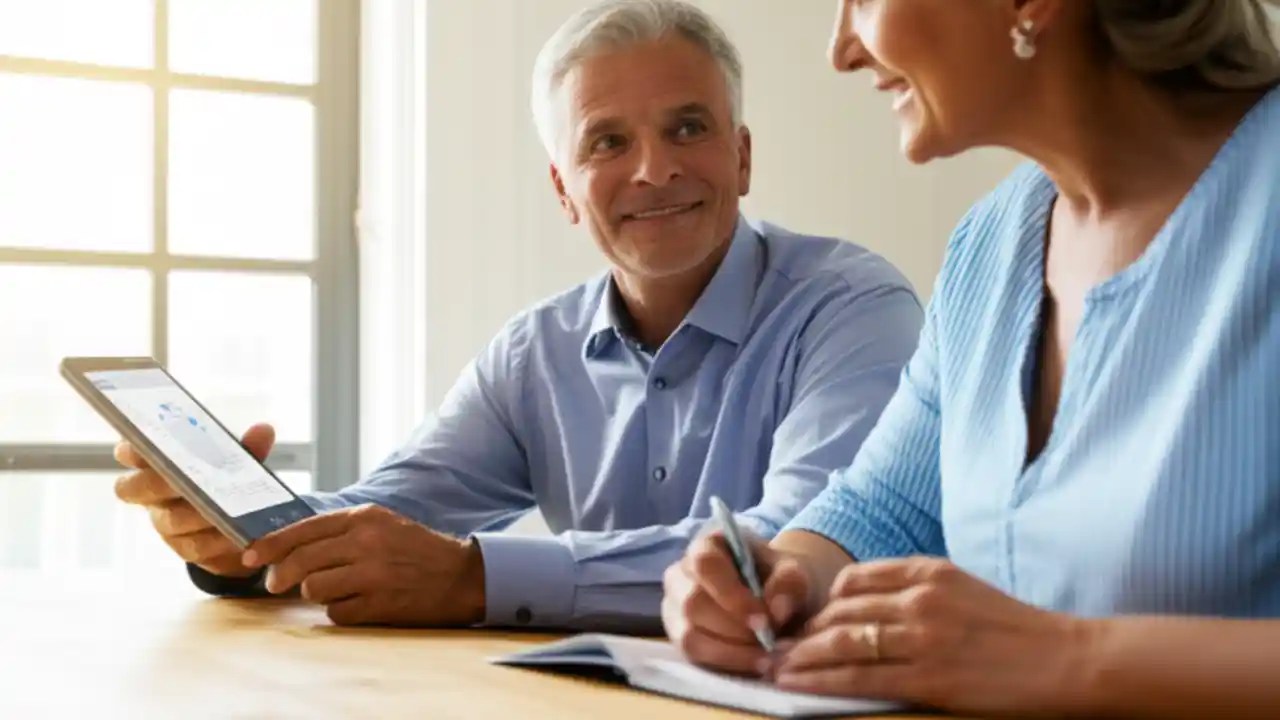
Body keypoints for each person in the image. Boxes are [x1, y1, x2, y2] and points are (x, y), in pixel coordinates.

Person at [113, 0, 922, 633]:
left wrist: (475, 578)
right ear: (564, 190)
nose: (655, 168)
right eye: (606, 143)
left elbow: (804, 547)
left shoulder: (852, 309)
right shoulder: (533, 354)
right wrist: (246, 542)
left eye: (688, 127)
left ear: (741, 157)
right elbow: (394, 512)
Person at [663, 0, 1280, 716]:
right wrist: (773, 580)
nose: (842, 50)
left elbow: (1040, 654)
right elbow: (883, 510)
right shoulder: (992, 243)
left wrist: (1067, 658)